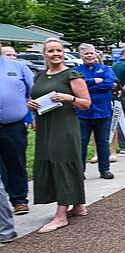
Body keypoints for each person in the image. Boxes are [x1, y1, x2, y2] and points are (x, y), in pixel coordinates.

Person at [28, 38, 92, 233]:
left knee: (62, 162)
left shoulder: (71, 75)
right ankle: (78, 205)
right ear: (44, 54)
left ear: (64, 53)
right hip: (45, 125)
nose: (55, 54)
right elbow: (34, 97)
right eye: (51, 51)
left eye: (59, 50)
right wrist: (31, 105)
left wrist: (68, 97)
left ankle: (61, 215)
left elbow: (86, 103)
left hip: (64, 126)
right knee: (51, 161)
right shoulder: (40, 75)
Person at [0, 40, 33, 229]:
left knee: (16, 162)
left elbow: (32, 93)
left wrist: (32, 116)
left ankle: (19, 199)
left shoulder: (18, 67)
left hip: (13, 125)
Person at [74, 43, 116, 180]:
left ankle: (104, 170)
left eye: (91, 53)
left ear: (96, 54)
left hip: (103, 112)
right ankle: (80, 171)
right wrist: (94, 81)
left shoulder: (106, 69)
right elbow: (74, 87)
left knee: (103, 142)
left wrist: (85, 86)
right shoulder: (76, 71)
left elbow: (109, 84)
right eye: (86, 53)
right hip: (83, 113)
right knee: (81, 143)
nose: (89, 55)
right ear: (81, 56)